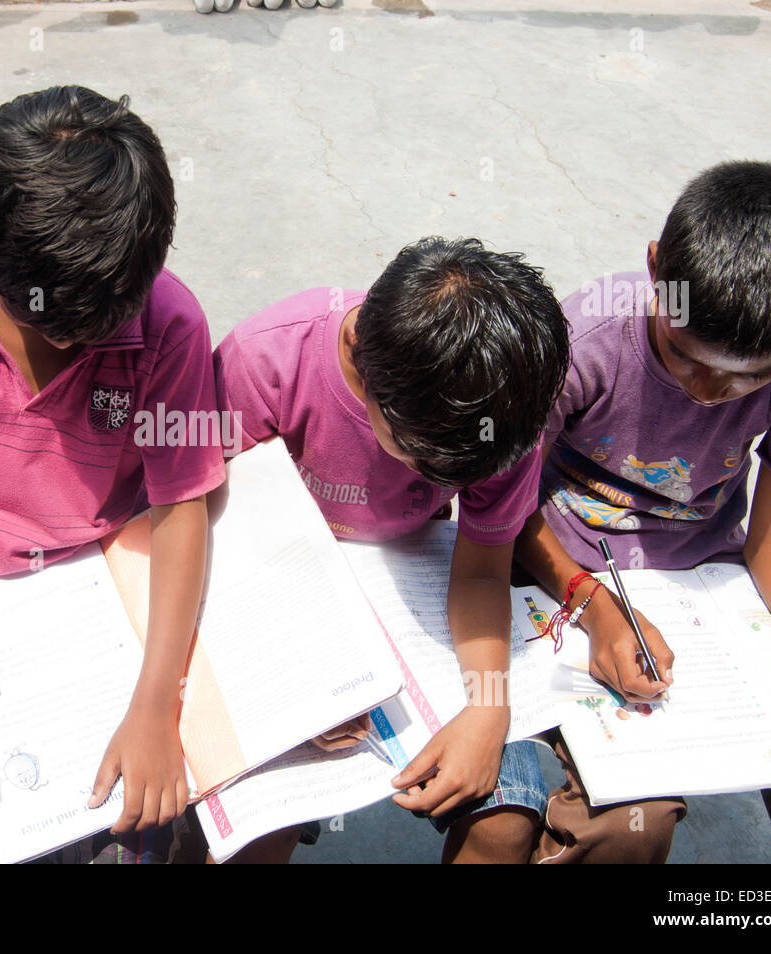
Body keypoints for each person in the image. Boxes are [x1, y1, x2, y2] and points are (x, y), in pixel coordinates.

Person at [0, 86, 226, 856]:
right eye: (48, 321)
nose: (72, 343)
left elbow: (181, 506)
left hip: (108, 600)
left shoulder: (170, 323)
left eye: (96, 327)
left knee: (125, 824)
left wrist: (155, 703)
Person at [514, 160, 771, 863]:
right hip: (561, 571)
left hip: (709, 590)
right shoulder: (581, 340)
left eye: (754, 374)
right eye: (688, 356)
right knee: (632, 816)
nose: (713, 390)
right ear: (657, 269)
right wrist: (597, 610)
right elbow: (500, 513)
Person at [213, 237, 572, 862]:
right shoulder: (265, 362)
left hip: (419, 602)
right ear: (362, 362)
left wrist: (489, 712)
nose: (438, 481)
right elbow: (219, 542)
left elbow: (486, 573)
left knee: (504, 825)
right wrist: (305, 686)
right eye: (420, 458)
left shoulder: (500, 418)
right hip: (271, 597)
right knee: (248, 842)